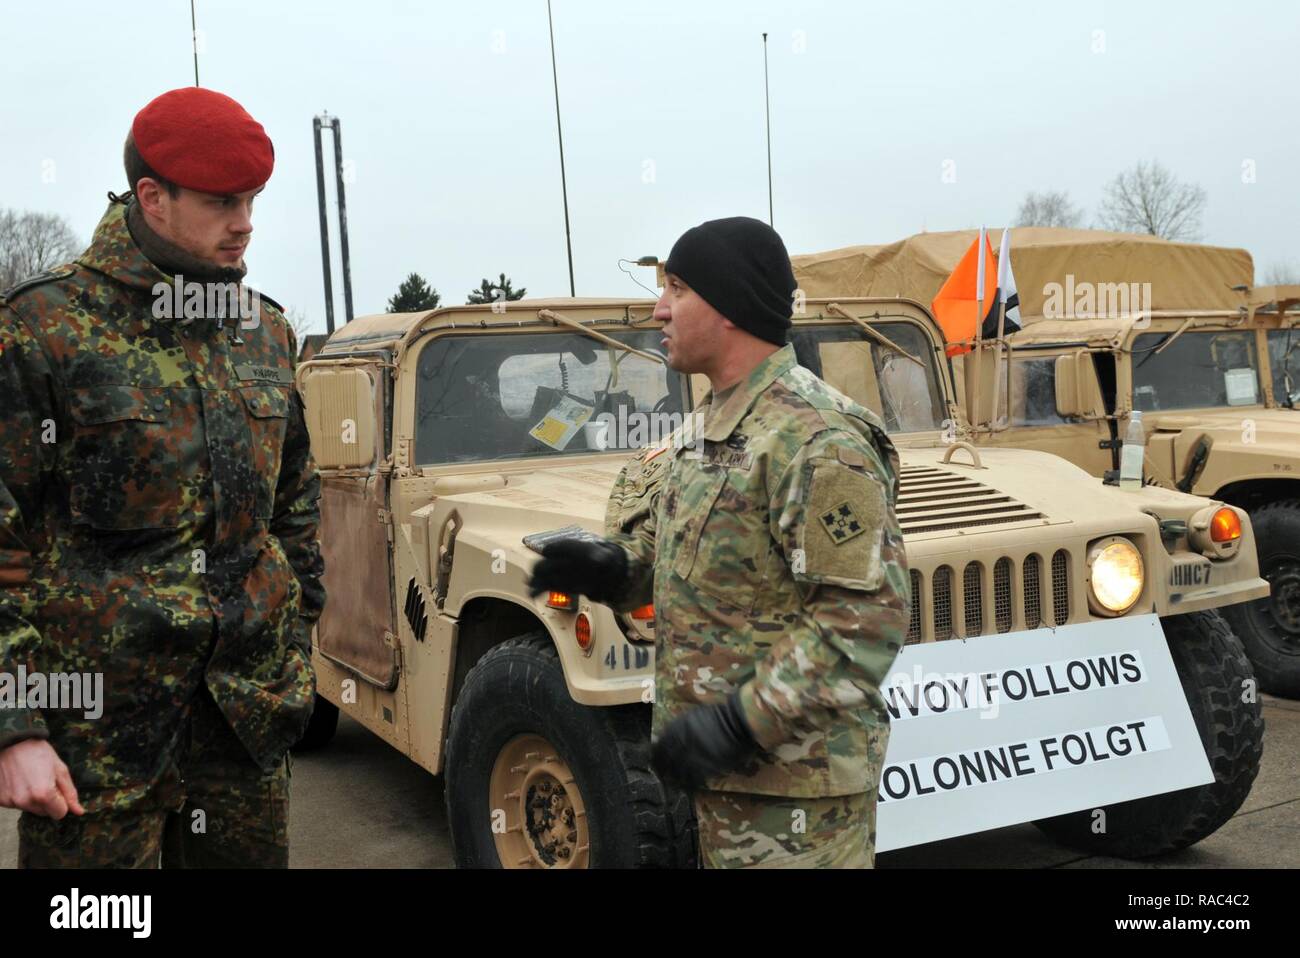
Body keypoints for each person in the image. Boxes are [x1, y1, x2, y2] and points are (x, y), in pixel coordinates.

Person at [0, 87, 325, 868]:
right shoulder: (43, 330)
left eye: (251, 200)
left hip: (242, 729)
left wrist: (296, 632)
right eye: (221, 202)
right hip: (96, 747)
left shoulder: (265, 331)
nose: (245, 221)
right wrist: (17, 727)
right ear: (152, 196)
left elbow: (294, 505)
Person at [528, 216, 909, 868]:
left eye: (675, 288)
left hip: (797, 797)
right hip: (725, 784)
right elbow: (692, 554)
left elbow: (863, 623)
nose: (658, 310)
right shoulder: (712, 425)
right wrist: (614, 569)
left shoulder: (817, 439)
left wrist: (741, 725)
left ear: (729, 306)